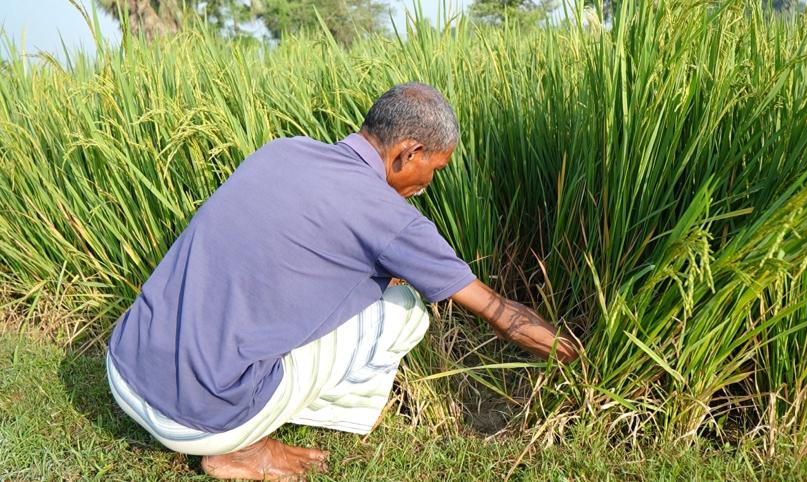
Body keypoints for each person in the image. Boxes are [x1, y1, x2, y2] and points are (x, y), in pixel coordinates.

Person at [106, 82, 578, 480]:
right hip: (200, 420)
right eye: (433, 170)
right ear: (408, 153)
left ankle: (247, 413)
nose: (426, 184)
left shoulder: (282, 149)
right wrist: (579, 358)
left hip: (125, 368)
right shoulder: (393, 219)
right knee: (408, 311)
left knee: (375, 283)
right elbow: (500, 316)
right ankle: (246, 445)